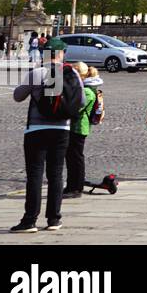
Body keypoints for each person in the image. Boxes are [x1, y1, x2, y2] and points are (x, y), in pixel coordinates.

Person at [10, 37, 82, 233]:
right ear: (61, 54)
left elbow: (18, 96)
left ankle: (30, 220)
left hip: (36, 129)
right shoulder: (71, 72)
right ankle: (54, 219)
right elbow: (81, 100)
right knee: (56, 174)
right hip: (62, 130)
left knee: (34, 175)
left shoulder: (37, 73)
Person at [63, 62, 99, 199]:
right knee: (71, 157)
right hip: (75, 126)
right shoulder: (85, 89)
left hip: (79, 127)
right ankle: (71, 185)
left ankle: (77, 187)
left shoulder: (87, 91)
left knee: (76, 158)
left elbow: (77, 108)